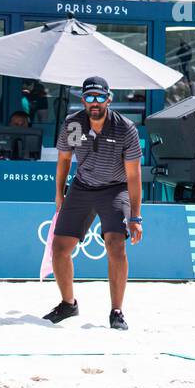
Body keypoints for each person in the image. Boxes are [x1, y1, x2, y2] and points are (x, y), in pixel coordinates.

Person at [45, 76, 144, 331]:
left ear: (109, 99)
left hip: (114, 189)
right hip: (82, 187)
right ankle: (68, 304)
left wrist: (136, 217)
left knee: (116, 245)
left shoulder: (125, 128)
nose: (95, 102)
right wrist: (59, 193)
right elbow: (64, 161)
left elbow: (133, 176)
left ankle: (117, 311)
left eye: (100, 97)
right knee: (59, 248)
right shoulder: (73, 124)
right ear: (83, 100)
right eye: (90, 97)